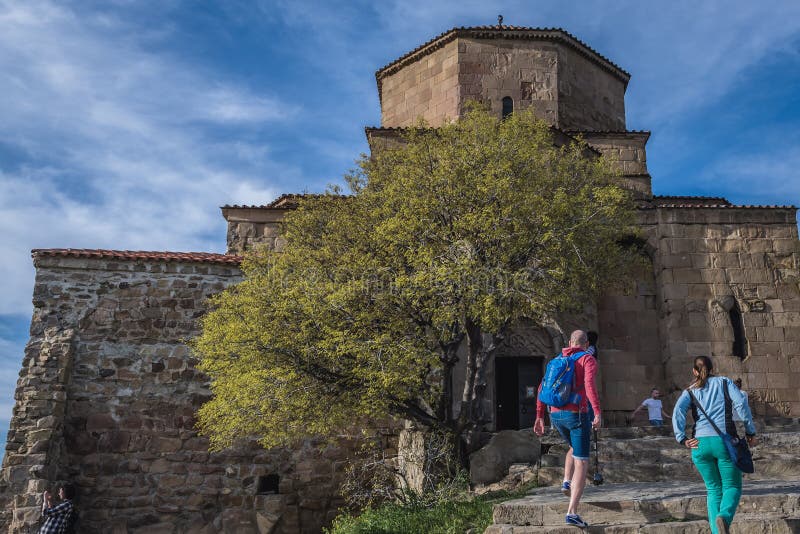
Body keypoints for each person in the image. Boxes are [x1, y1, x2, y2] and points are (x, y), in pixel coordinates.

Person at [672, 356, 757, 534]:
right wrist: (750, 431)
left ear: (694, 371)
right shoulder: (724, 382)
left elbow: (678, 410)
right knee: (732, 486)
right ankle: (724, 517)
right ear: (712, 368)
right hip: (724, 443)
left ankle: (717, 532)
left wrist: (682, 438)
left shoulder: (689, 391)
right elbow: (741, 403)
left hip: (699, 445)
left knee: (713, 489)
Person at [534, 330, 601, 529]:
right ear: (586, 343)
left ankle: (566, 481)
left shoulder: (557, 359)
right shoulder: (587, 359)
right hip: (577, 414)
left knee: (573, 447)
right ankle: (572, 512)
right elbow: (589, 385)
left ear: (570, 342)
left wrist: (539, 416)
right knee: (582, 460)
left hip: (555, 415)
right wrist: (596, 412)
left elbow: (541, 388)